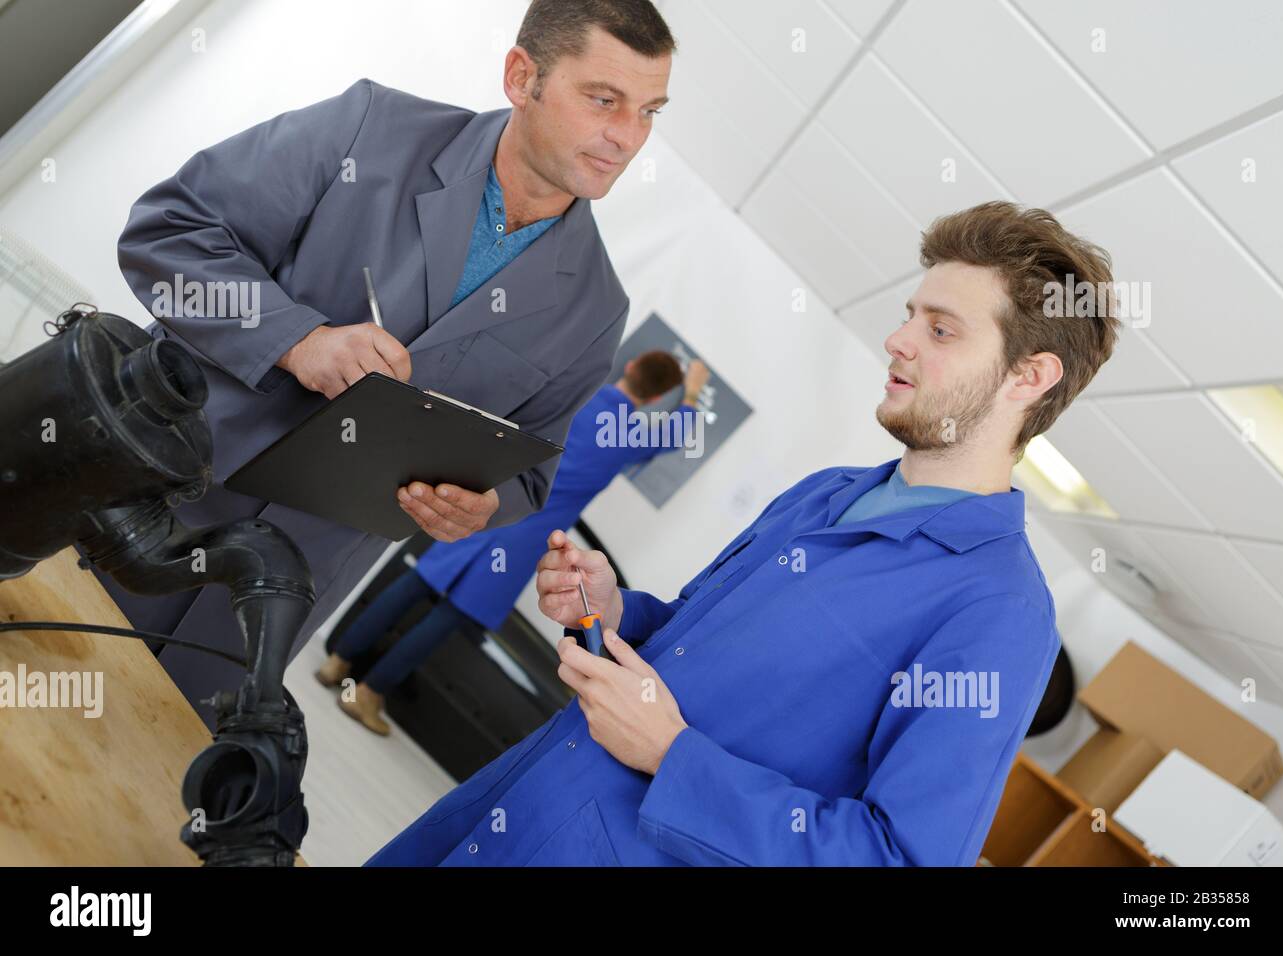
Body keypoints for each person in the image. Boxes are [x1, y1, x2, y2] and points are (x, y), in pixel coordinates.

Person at [366, 201, 1121, 866]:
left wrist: (672, 759)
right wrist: (617, 610)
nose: (898, 340)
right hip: (510, 804)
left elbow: (895, 857)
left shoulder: (1000, 613)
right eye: (908, 315)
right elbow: (696, 644)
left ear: (1029, 377)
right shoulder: (824, 495)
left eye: (941, 328)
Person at [89, 0, 677, 723]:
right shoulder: (371, 130)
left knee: (129, 770)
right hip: (147, 501)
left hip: (271, 599)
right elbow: (169, 233)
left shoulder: (594, 309)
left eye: (649, 111)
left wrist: (480, 507)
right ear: (522, 77)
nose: (627, 138)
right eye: (603, 100)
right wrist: (296, 339)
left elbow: (528, 475)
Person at [316, 353, 710, 735]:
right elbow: (675, 434)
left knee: (417, 583)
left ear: (630, 366)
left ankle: (337, 662)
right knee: (453, 615)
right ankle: (367, 693)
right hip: (527, 539)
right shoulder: (628, 435)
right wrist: (691, 393)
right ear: (657, 398)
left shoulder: (578, 399)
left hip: (492, 509)